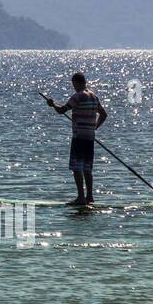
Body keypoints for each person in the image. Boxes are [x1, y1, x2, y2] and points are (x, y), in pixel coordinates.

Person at [44, 73, 107, 205]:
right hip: (90, 137)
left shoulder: (77, 96)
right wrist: (94, 127)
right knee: (87, 168)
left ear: (77, 83)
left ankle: (80, 198)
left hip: (79, 137)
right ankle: (90, 197)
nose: (73, 87)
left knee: (77, 167)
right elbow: (103, 114)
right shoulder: (94, 97)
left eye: (73, 84)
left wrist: (52, 104)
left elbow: (62, 110)